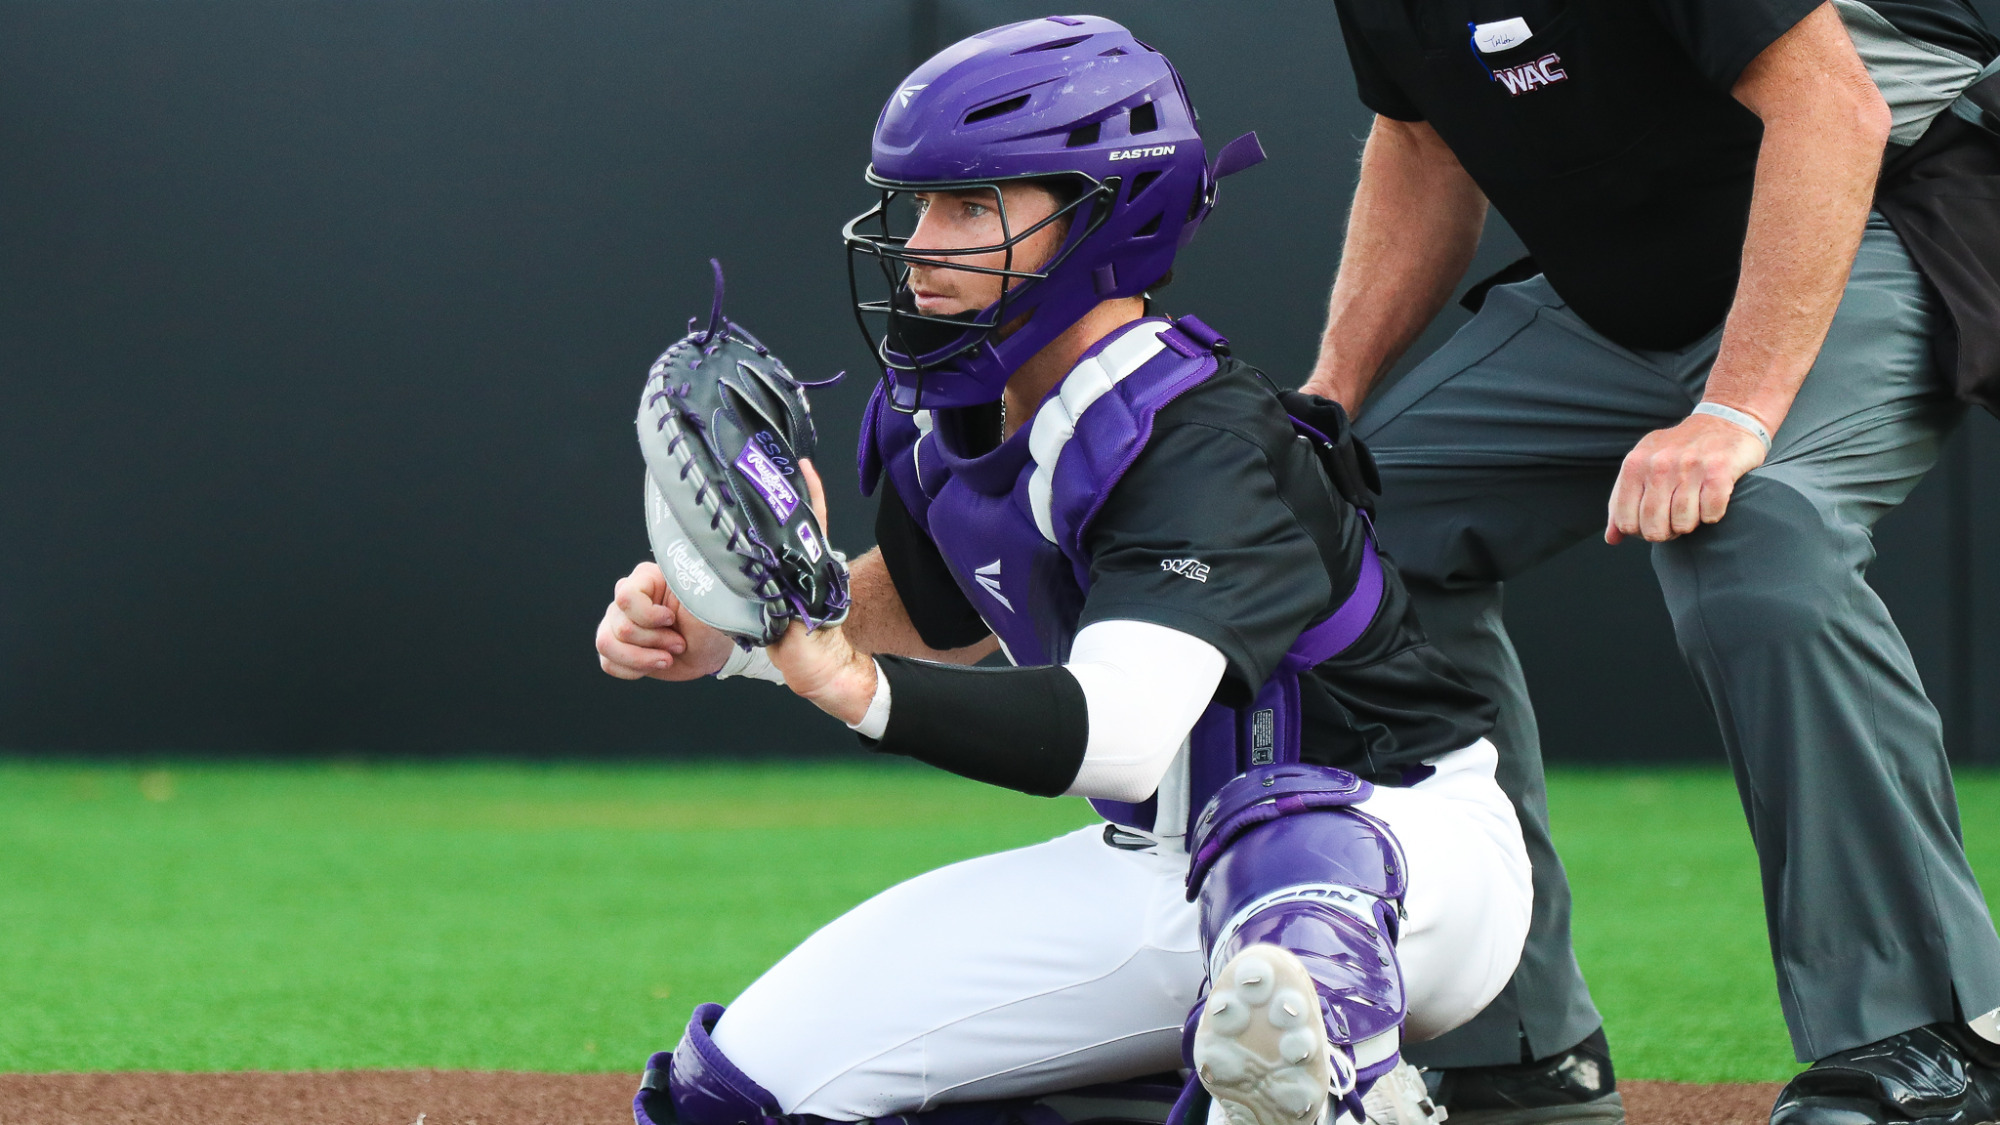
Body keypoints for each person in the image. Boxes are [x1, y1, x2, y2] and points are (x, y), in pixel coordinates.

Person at [596, 16, 1534, 1125]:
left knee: (1291, 875)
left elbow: (1115, 734)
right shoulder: (947, 411)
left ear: (1106, 214)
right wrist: (741, 632)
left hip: (1398, 854)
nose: (921, 242)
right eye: (919, 204)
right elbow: (941, 619)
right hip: (1153, 861)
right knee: (734, 1096)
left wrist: (841, 681)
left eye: (971, 205)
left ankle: (1349, 1091)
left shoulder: (1197, 435)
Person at [1301, 0, 2000, 1121]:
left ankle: (1933, 1036)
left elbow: (1833, 106)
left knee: (1759, 522)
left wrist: (1732, 410)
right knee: (1334, 529)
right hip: (1617, 302)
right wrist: (1326, 401)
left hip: (1870, 219)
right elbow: (1420, 143)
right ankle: (1511, 1040)